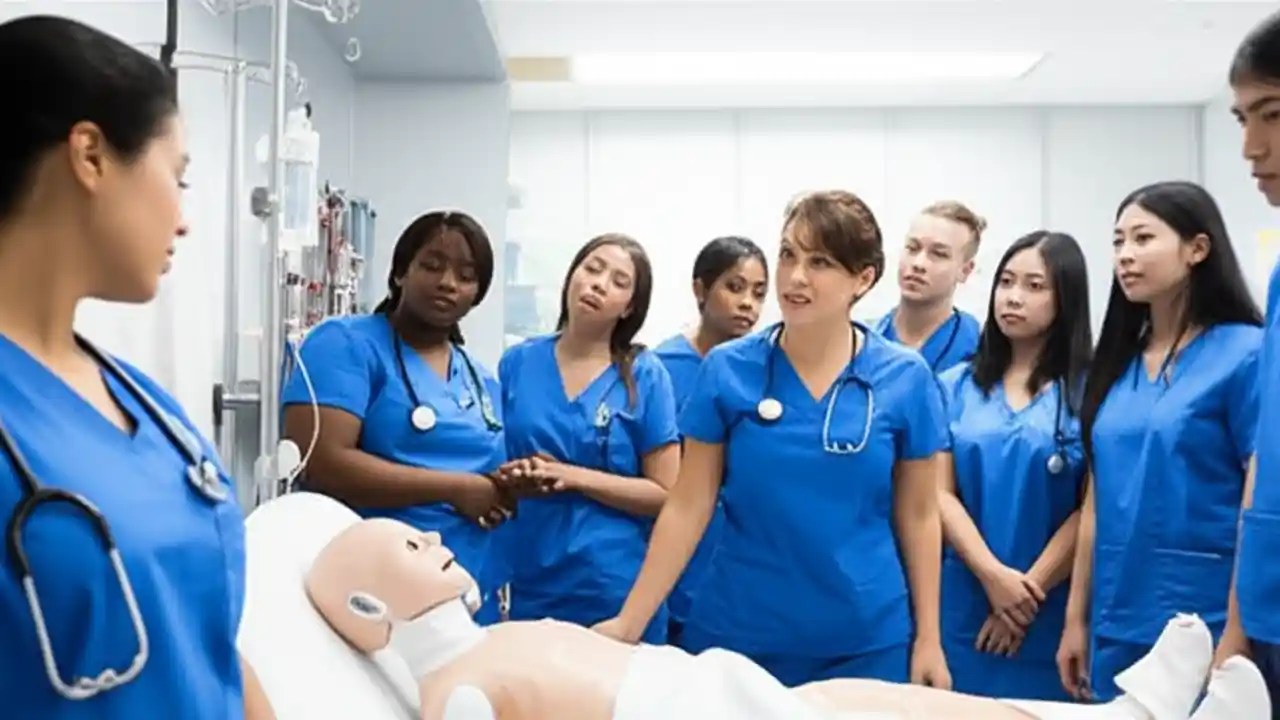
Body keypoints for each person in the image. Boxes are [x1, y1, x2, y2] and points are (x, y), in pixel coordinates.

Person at [302, 513, 1271, 720]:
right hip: (694, 718)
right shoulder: (449, 690)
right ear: (364, 606)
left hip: (704, 691)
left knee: (893, 708)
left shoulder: (485, 643)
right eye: (407, 551)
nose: (433, 546)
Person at [0, 14, 273, 719]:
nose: (183, 218)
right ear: (90, 155)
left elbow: (204, 644)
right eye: (177, 177)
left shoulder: (149, 407)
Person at [595, 190, 950, 689]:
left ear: (863, 279)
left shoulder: (905, 378)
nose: (795, 277)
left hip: (865, 641)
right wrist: (630, 622)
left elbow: (919, 514)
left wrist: (929, 639)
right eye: (788, 255)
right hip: (739, 637)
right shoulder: (729, 369)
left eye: (820, 262)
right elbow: (687, 505)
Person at [1059, 181, 1263, 703]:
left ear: (1198, 248)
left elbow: (1257, 500)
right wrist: (1076, 618)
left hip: (1205, 618)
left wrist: (1238, 637)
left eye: (1143, 238)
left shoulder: (1246, 355)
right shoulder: (1117, 362)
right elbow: (1097, 498)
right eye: (1118, 241)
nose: (1125, 255)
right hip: (1116, 614)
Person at [281, 210, 513, 624]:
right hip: (371, 594)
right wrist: (457, 489)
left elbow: (487, 481)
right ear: (401, 272)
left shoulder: (482, 378)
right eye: (432, 265)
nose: (448, 283)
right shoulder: (345, 345)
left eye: (466, 275)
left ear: (477, 293)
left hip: (468, 594)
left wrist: (507, 490)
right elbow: (321, 462)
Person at [495, 234, 679, 643]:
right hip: (533, 577)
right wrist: (515, 475)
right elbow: (495, 461)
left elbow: (667, 494)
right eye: (592, 269)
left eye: (618, 281)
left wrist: (574, 476)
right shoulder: (519, 363)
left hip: (616, 585)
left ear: (630, 306)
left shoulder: (644, 375)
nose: (598, 284)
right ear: (572, 275)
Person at [937, 231, 1092, 700]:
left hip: (1054, 615)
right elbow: (936, 494)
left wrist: (1024, 598)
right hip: (965, 607)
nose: (1013, 297)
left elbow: (1092, 507)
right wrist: (993, 578)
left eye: (1034, 286)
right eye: (1006, 282)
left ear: (1066, 298)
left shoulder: (1092, 392)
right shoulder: (953, 386)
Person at [651, 235, 768, 645]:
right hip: (678, 545)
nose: (747, 304)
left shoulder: (764, 370)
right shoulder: (659, 369)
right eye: (734, 287)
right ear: (700, 289)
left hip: (743, 552)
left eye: (758, 293)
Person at [1218, 8, 1280, 714]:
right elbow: (1268, 455)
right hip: (1267, 609)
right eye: (1240, 119)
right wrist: (1238, 623)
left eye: (1272, 113)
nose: (1252, 147)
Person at [873, 200, 984, 372]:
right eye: (912, 248)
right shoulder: (866, 342)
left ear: (965, 270)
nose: (919, 263)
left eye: (938, 254)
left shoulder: (978, 348)